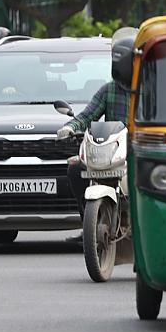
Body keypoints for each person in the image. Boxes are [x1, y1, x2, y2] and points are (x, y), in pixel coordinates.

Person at [57, 28, 136, 216]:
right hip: (110, 152)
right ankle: (87, 217)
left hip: (137, 153)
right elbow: (87, 115)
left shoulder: (149, 89)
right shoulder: (109, 90)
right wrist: (70, 127)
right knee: (75, 168)